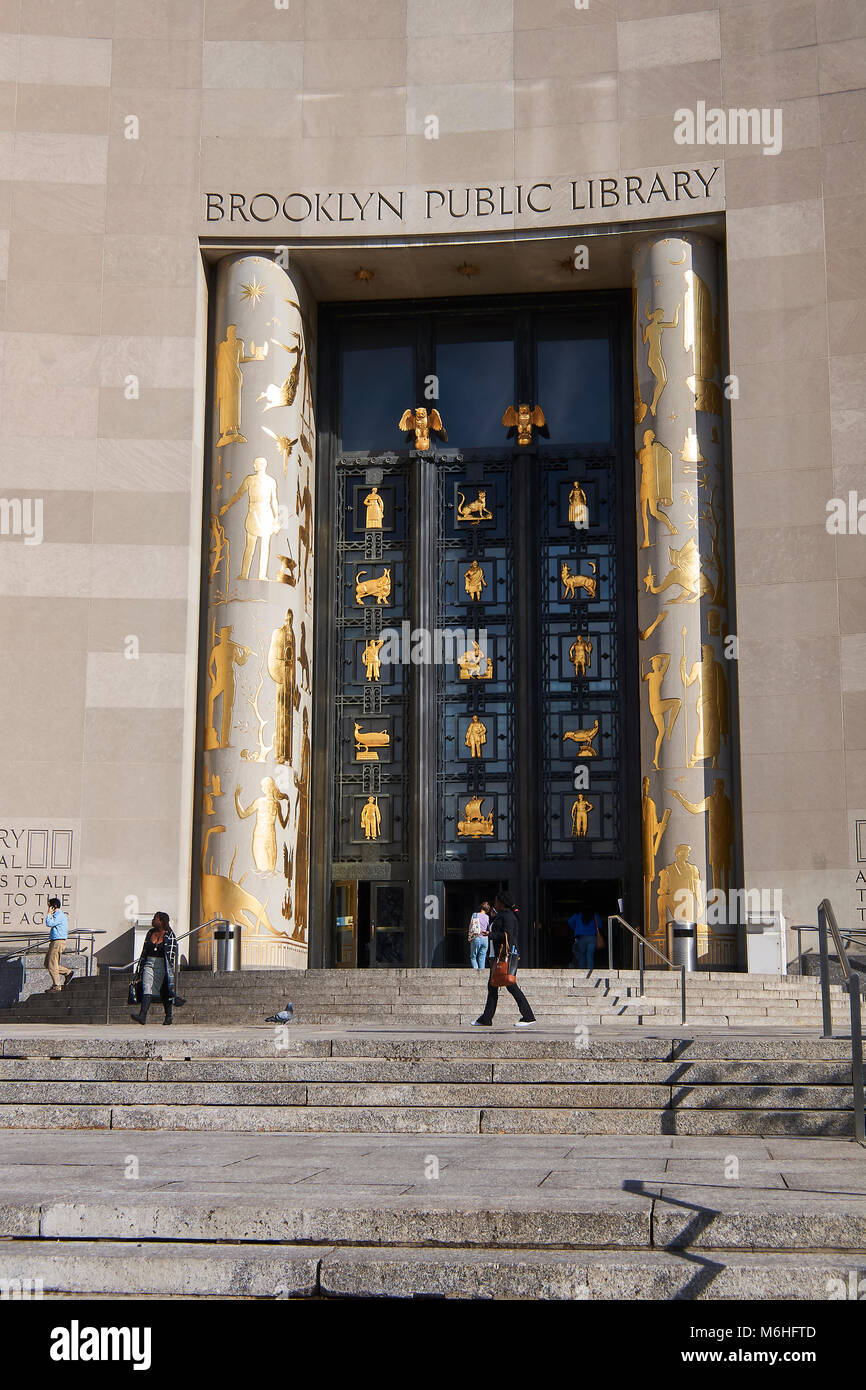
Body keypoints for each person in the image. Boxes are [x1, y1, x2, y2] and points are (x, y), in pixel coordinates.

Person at [472, 892, 536, 1027]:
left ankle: (528, 1016)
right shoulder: (503, 915)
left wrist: (490, 935)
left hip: (505, 955)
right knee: (493, 985)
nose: (494, 903)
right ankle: (486, 1019)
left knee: (510, 984)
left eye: (496, 901)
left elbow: (507, 935)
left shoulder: (508, 916)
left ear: (502, 903)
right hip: (497, 955)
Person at [130, 912, 180, 1026]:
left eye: (155, 919)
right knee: (146, 987)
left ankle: (169, 1016)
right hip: (149, 963)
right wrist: (140, 966)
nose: (153, 921)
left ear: (161, 921)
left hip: (162, 965)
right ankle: (142, 1016)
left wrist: (170, 969)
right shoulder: (150, 933)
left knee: (164, 990)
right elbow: (144, 950)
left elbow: (172, 954)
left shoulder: (169, 934)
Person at [44, 897, 74, 992]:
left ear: (54, 906)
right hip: (55, 941)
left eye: (49, 906)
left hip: (58, 941)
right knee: (47, 963)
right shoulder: (58, 915)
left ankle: (57, 985)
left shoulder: (59, 915)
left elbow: (49, 923)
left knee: (52, 964)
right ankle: (67, 972)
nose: (48, 908)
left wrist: (49, 914)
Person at [467, 900, 490, 970]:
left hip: (476, 937)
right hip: (485, 939)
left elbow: (471, 926)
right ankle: (482, 973)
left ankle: (475, 972)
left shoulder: (475, 915)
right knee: (482, 957)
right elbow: (488, 927)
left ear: (481, 907)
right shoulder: (487, 917)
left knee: (473, 957)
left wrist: (470, 936)